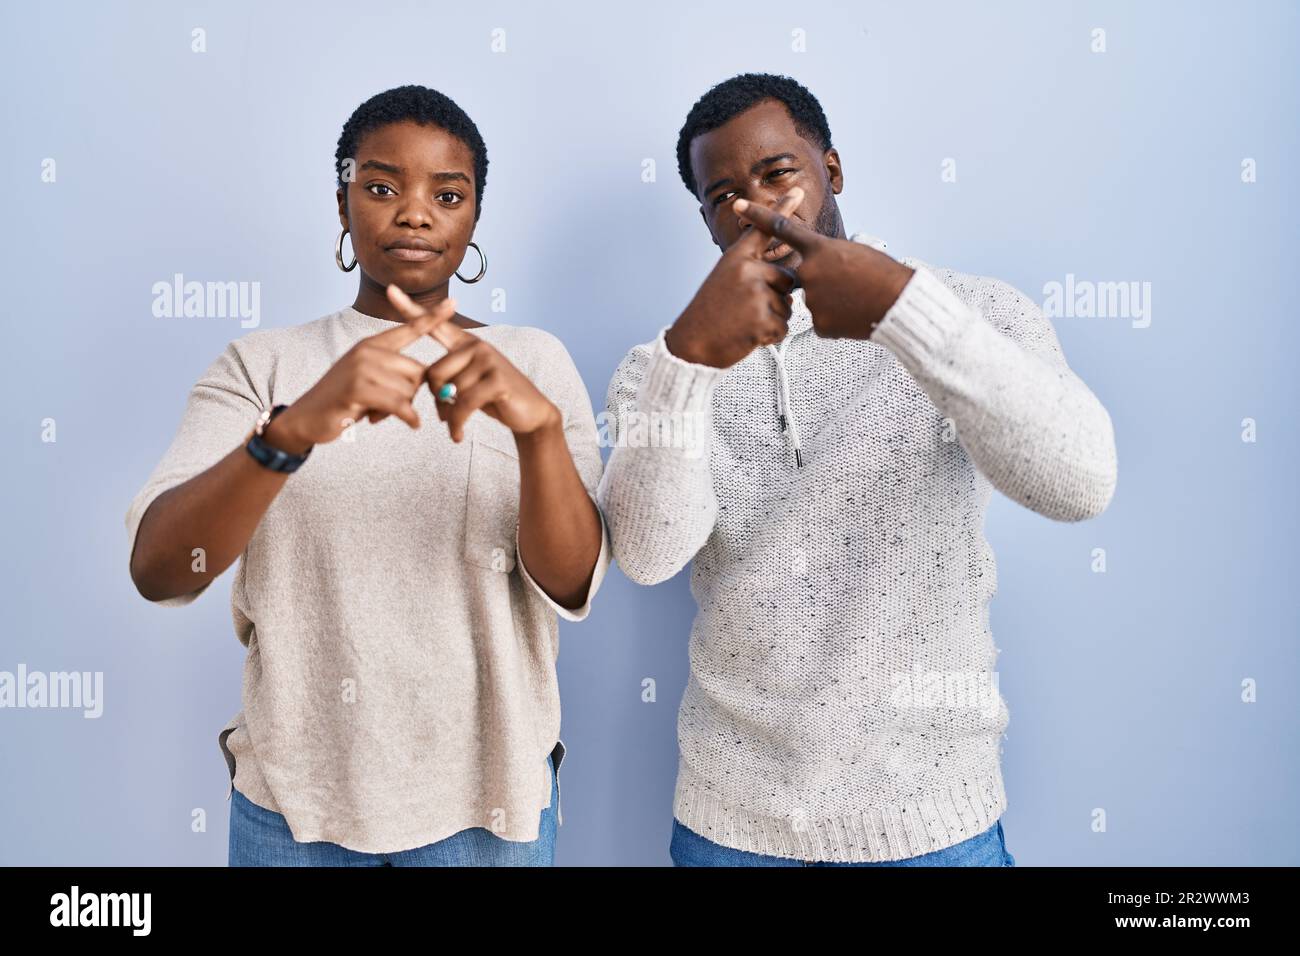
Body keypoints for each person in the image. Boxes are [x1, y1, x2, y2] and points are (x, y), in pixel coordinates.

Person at [597, 73, 1117, 866]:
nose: (756, 209)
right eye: (723, 195)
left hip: (934, 827)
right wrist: (690, 359)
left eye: (779, 173)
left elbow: (1082, 482)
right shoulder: (657, 368)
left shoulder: (972, 311)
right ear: (704, 218)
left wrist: (902, 311)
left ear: (831, 169)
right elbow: (647, 551)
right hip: (729, 827)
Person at [125, 84, 609, 866]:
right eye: (381, 186)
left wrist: (539, 433)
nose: (414, 213)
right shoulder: (264, 364)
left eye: (447, 195)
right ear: (343, 202)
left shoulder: (533, 363)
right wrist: (291, 432)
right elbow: (161, 569)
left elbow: (572, 581)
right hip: (293, 808)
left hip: (487, 811)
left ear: (474, 218)